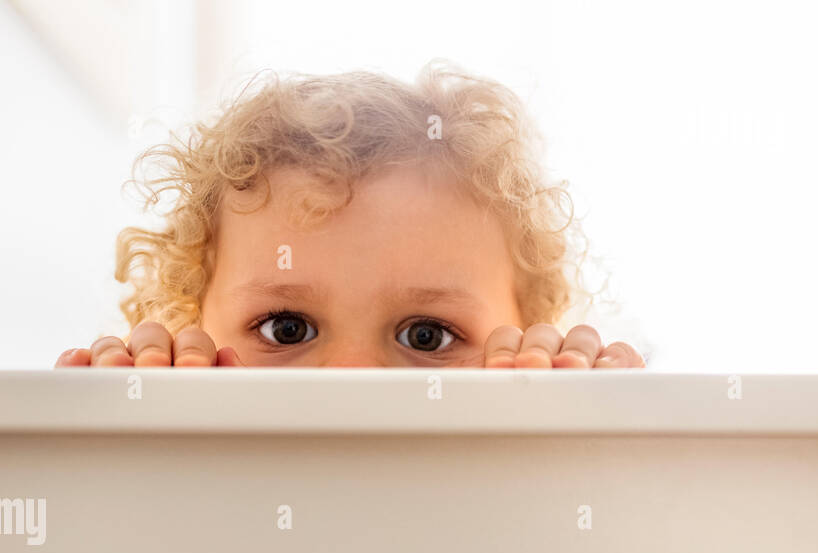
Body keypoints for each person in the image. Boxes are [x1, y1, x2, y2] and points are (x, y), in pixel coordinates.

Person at [55, 64, 645, 372]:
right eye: (285, 329)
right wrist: (128, 419)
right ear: (193, 326)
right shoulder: (185, 466)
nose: (354, 376)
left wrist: (581, 417)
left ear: (527, 331)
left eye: (427, 336)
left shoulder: (527, 469)